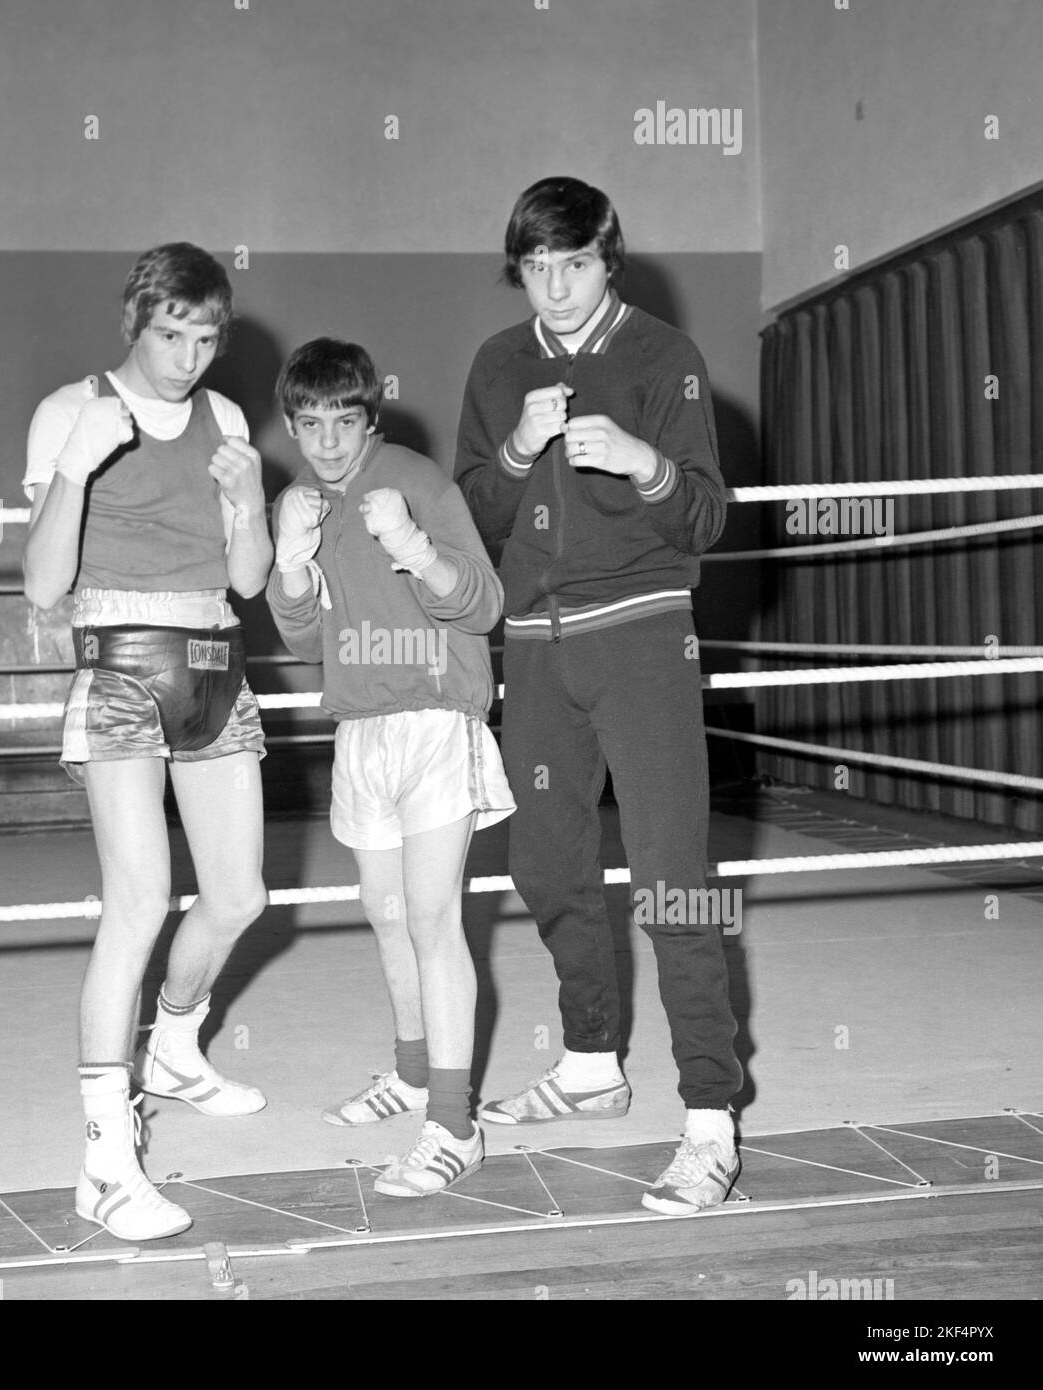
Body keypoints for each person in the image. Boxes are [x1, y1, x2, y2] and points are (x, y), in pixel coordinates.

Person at [454, 177, 743, 1215]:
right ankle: (590, 1059)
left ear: (606, 261)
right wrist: (518, 451)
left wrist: (647, 464)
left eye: (573, 263)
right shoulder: (497, 364)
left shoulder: (665, 357)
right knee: (544, 862)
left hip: (641, 638)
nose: (555, 285)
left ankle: (709, 1115)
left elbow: (706, 514)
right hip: (532, 646)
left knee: (674, 877)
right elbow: (474, 506)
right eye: (535, 266)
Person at [22, 243, 273, 1240]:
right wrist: (75, 473)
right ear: (135, 321)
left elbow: (250, 580)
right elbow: (42, 583)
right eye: (169, 335)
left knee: (239, 895)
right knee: (137, 901)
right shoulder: (69, 409)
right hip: (120, 660)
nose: (185, 357)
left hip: (216, 659)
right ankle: (102, 1163)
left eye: (204, 337)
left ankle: (174, 1044)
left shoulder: (225, 418)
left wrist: (249, 502)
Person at [266, 339, 514, 1196]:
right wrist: (291, 566)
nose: (328, 442)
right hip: (361, 724)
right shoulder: (300, 502)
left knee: (434, 916)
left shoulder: (419, 478)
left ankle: (454, 1124)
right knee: (386, 910)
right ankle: (413, 1073)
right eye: (309, 425)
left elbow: (484, 604)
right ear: (292, 425)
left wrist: (412, 544)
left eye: (344, 421)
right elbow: (306, 641)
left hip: (438, 714)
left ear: (371, 416)